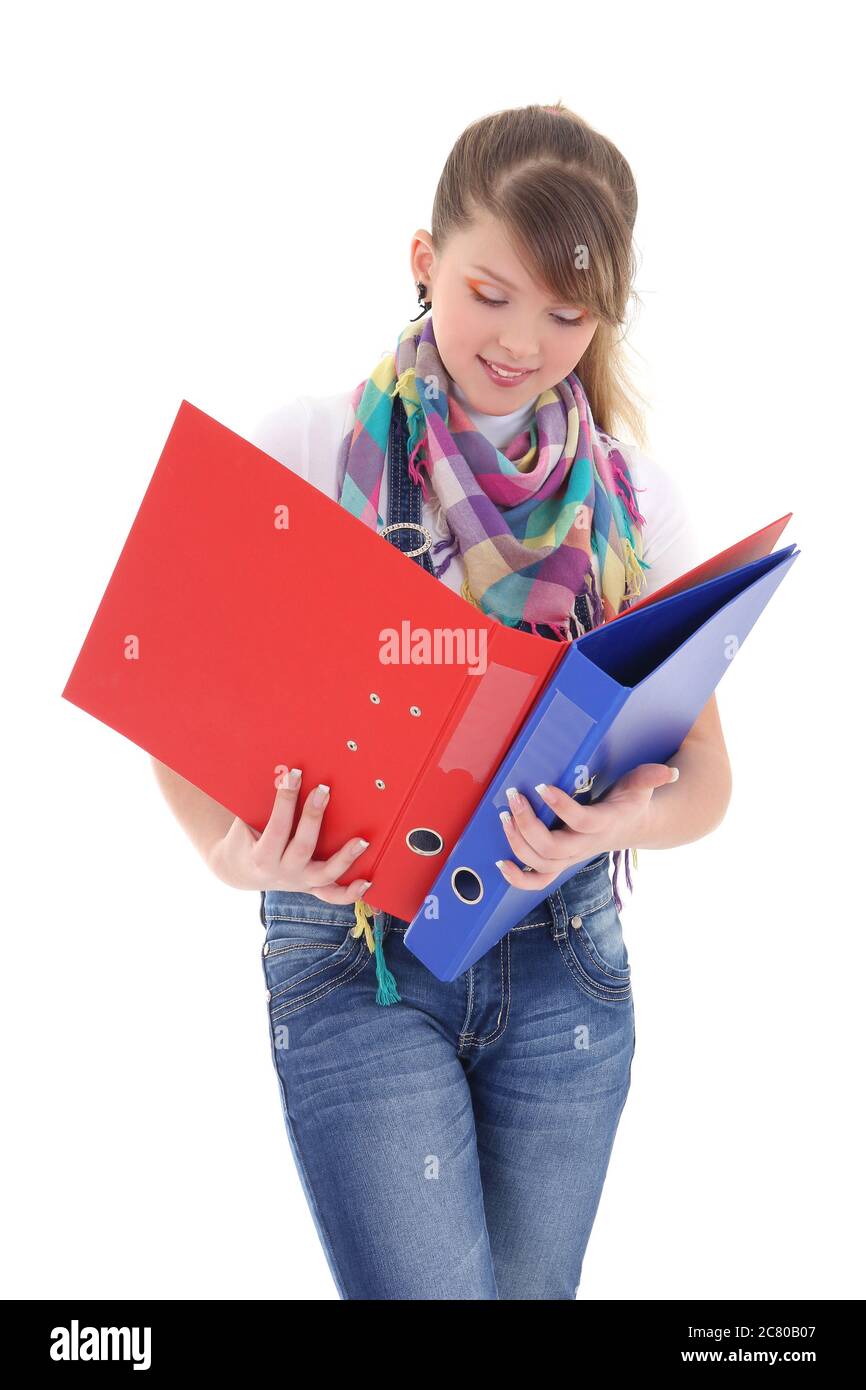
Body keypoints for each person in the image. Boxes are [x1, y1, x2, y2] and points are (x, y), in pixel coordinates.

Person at [152, 101, 732, 1299]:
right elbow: (165, 684)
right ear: (422, 261)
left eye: (566, 313)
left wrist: (621, 821)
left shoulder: (632, 500)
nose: (520, 339)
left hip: (564, 956)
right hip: (353, 954)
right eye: (488, 291)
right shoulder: (309, 448)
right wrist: (230, 852)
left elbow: (705, 784)